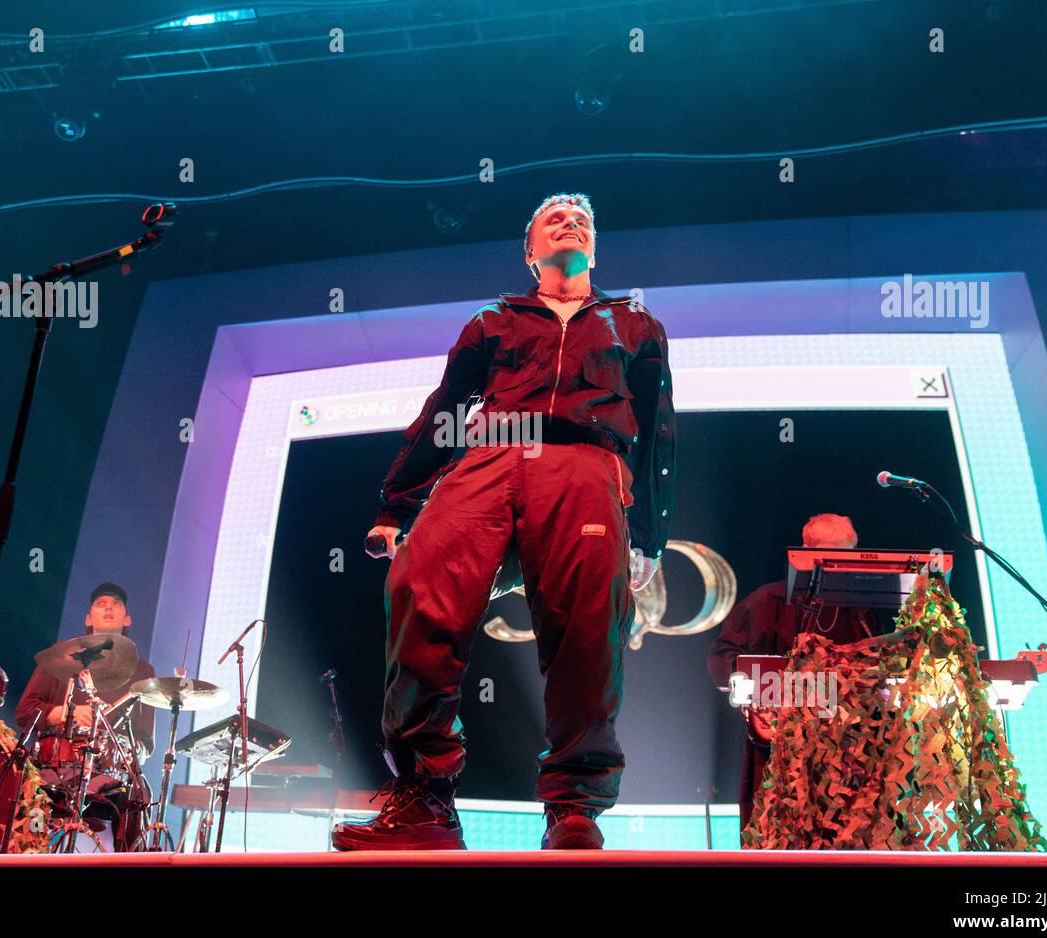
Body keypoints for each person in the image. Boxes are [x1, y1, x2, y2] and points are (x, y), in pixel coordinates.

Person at [332, 193, 676, 851]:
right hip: (490, 458)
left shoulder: (634, 323)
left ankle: (574, 807)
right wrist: (396, 504)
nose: (570, 222)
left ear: (594, 248)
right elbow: (446, 411)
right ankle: (424, 802)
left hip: (583, 462)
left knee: (585, 632)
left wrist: (653, 533)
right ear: (530, 251)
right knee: (420, 588)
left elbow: (660, 431)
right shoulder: (493, 319)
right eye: (555, 219)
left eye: (582, 220)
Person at [706, 514, 881, 827]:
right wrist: (757, 689)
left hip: (846, 752)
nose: (837, 568)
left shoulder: (861, 613)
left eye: (846, 557)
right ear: (805, 552)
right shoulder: (767, 603)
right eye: (829, 557)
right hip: (781, 750)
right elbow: (721, 661)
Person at [16, 582, 156, 763]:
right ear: (88, 619)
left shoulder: (143, 671)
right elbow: (24, 712)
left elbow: (144, 744)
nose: (108, 606)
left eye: (117, 603)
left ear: (127, 620)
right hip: (53, 766)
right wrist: (63, 713)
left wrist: (122, 751)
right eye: (100, 603)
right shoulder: (59, 656)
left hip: (111, 777)